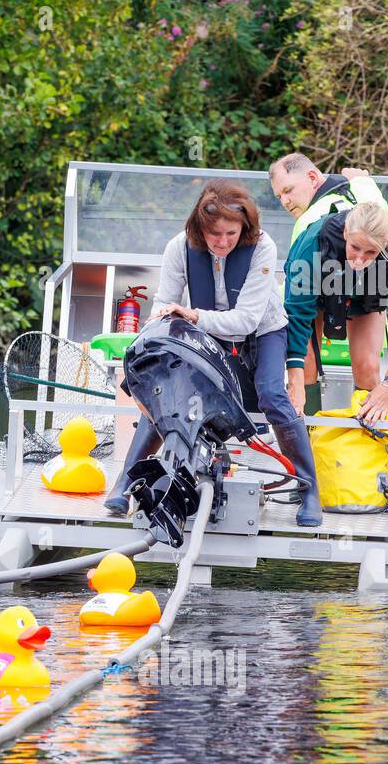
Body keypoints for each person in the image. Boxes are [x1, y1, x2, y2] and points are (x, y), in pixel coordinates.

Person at [104, 179, 323, 526]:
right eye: (214, 235)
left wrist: (193, 315)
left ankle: (310, 489)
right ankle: (127, 481)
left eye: (231, 234)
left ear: (244, 228)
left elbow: (246, 320)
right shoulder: (179, 246)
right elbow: (164, 304)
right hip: (206, 330)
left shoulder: (263, 247)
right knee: (167, 392)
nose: (222, 243)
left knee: (271, 395)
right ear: (199, 229)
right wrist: (144, 355)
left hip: (261, 329)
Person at [283, 200, 388, 428]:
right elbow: (298, 316)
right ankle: (306, 438)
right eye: (355, 247)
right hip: (316, 291)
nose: (359, 259)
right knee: (305, 367)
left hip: (366, 294)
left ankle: (363, 438)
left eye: (371, 252)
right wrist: (294, 382)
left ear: (384, 245)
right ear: (346, 232)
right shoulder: (312, 246)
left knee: (368, 367)